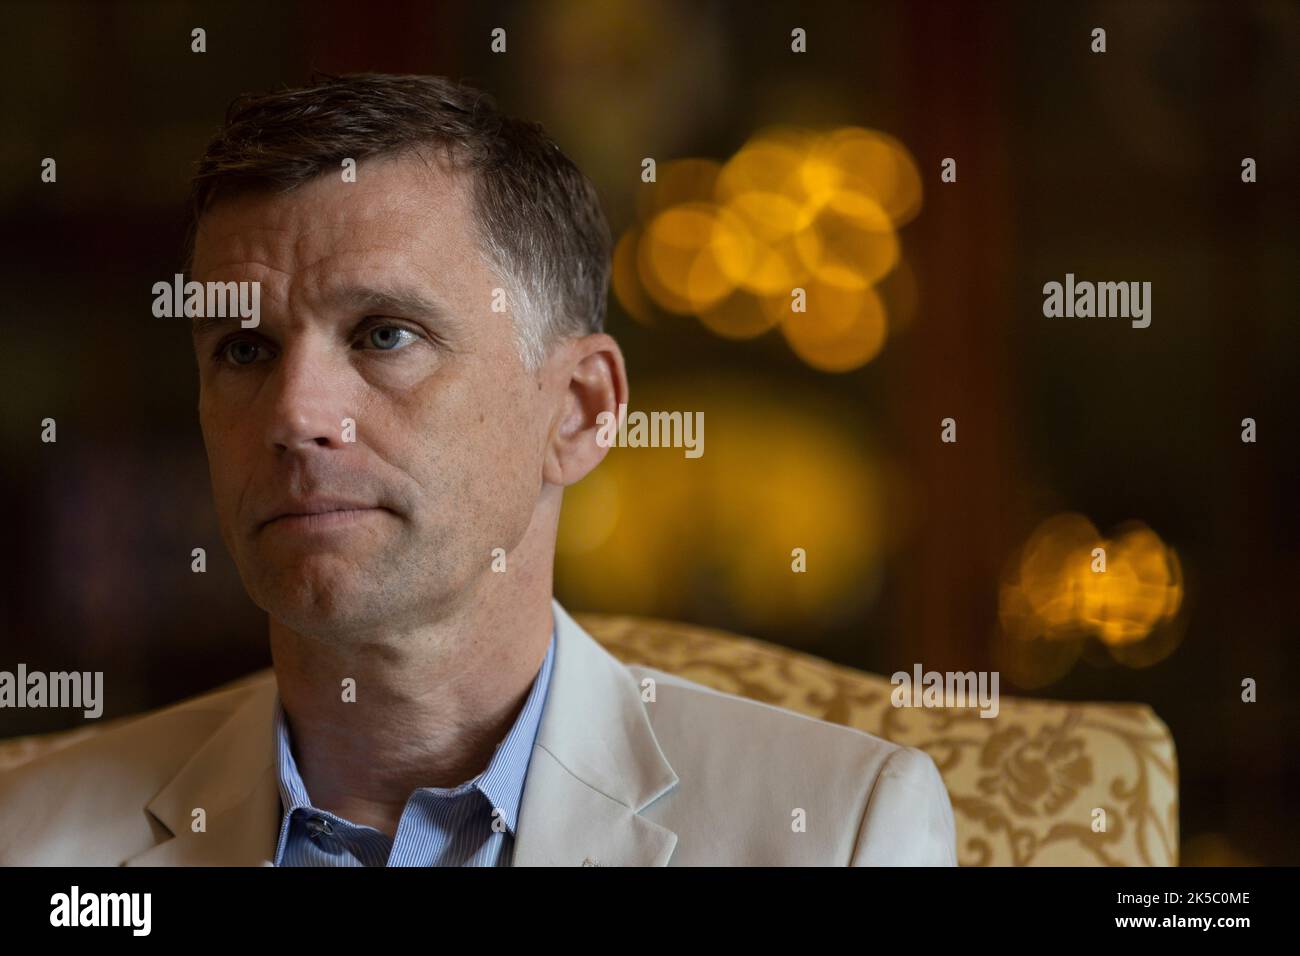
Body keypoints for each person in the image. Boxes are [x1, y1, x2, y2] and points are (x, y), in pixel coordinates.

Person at [0, 74, 956, 866]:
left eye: (385, 334)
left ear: (580, 410)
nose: (295, 415)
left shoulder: (836, 831)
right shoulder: (31, 838)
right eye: (245, 350)